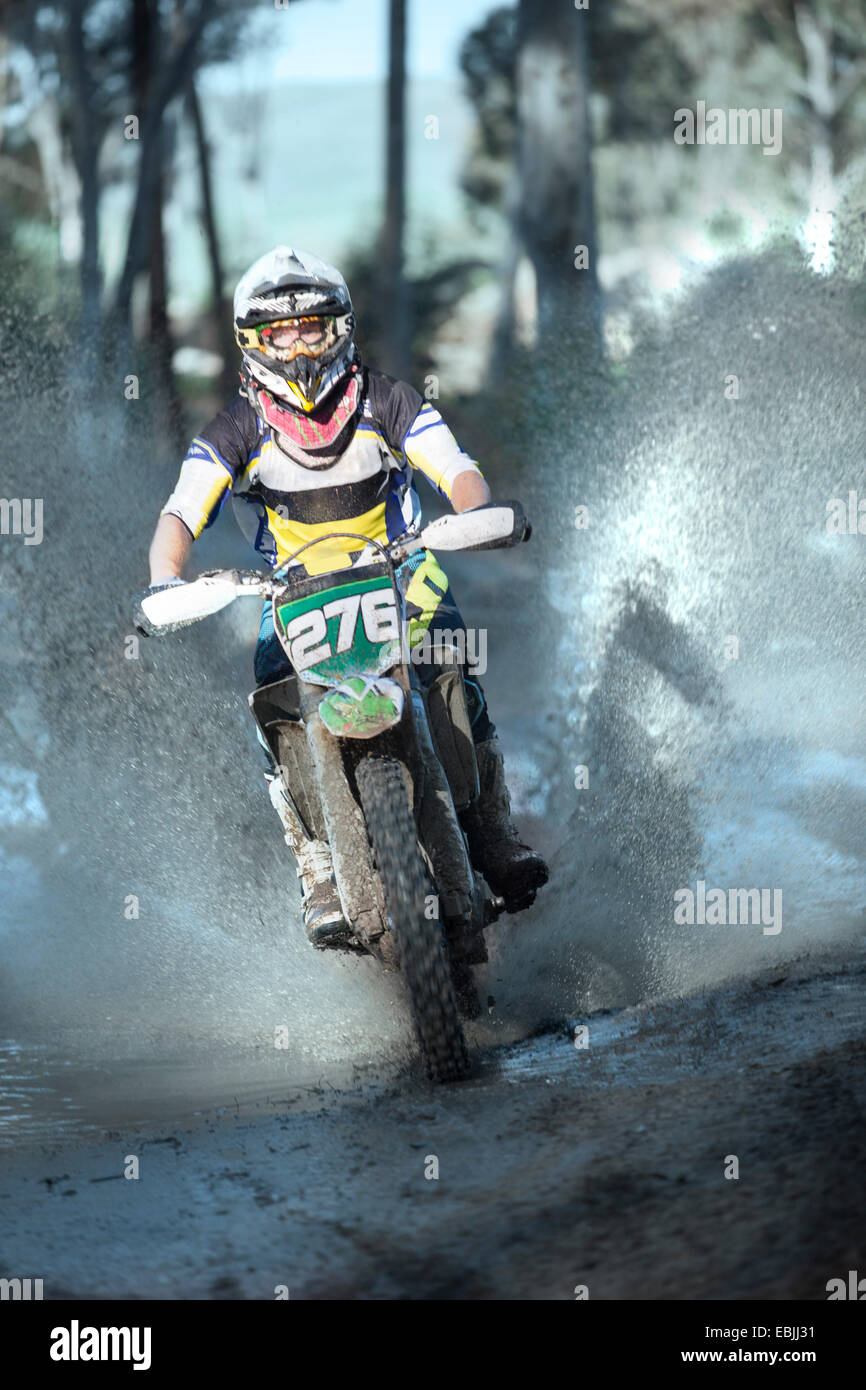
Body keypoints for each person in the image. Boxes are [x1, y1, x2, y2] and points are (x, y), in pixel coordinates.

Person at [144, 246, 547, 942]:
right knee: (273, 702)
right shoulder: (235, 429)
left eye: (313, 327)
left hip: (403, 573)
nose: (300, 345)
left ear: (340, 329)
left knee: (453, 667)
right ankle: (318, 866)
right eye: (281, 333)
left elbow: (457, 470)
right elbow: (179, 515)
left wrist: (473, 515)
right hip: (290, 594)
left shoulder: (386, 399)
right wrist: (164, 580)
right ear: (254, 342)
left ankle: (491, 828)